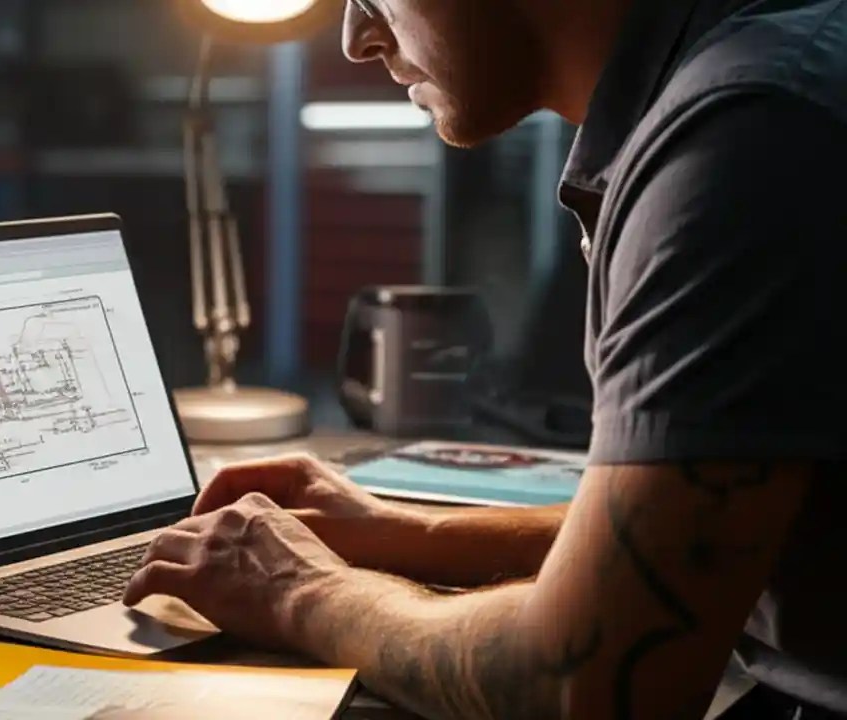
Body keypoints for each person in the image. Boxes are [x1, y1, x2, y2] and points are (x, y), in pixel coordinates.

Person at [123, 0, 847, 717]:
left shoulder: (747, 135)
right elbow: (700, 527)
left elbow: (587, 685)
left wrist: (298, 590)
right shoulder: (763, 77)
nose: (354, 39)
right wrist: (411, 533)